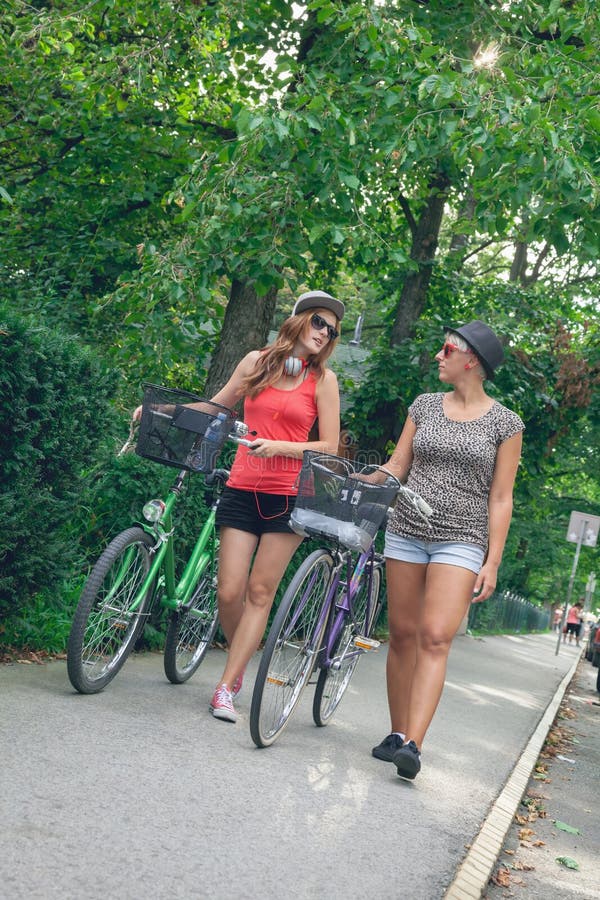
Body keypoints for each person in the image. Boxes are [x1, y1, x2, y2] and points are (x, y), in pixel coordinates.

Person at [370, 320, 524, 780]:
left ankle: (415, 745)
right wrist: (363, 480)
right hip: (406, 528)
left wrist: (492, 561)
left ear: (471, 360)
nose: (438, 356)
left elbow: (501, 497)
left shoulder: (506, 424)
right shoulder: (424, 406)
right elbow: (399, 463)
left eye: (446, 349)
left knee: (435, 636)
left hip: (462, 538)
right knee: (400, 634)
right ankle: (397, 735)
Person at [204, 291, 343, 722]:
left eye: (332, 331)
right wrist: (164, 410)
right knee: (228, 591)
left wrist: (280, 445)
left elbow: (331, 446)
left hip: (288, 497)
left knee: (260, 593)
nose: (325, 333)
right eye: (319, 322)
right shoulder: (256, 362)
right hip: (243, 487)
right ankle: (241, 658)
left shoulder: (323, 381)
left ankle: (226, 686)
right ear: (298, 319)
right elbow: (217, 404)